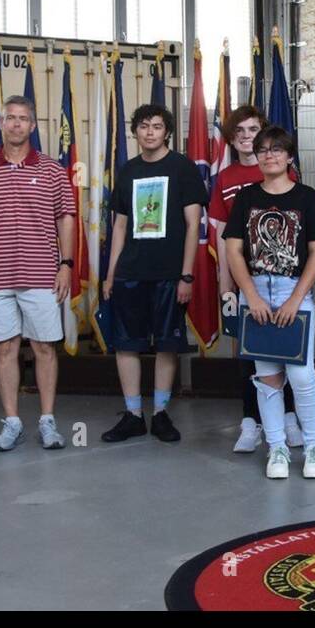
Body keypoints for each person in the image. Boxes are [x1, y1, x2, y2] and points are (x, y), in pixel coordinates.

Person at [0, 96, 75, 452]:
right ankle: (12, 423)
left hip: (41, 275)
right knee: (5, 349)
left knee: (44, 348)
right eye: (11, 118)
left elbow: (65, 218)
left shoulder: (53, 170)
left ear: (33, 126)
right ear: (0, 123)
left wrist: (66, 265)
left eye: (24, 119)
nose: (17, 124)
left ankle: (48, 421)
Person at [224, 125, 315, 479]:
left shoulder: (306, 197)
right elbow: (233, 250)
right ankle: (277, 447)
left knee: (301, 375)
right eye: (263, 149)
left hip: (291, 293)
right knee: (266, 377)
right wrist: (250, 296)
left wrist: (296, 299)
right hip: (254, 294)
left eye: (277, 149)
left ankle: (313, 446)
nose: (269, 155)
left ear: (289, 156)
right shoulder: (247, 197)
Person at [100, 104, 207, 444]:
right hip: (130, 272)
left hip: (168, 273)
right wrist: (110, 273)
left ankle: (160, 413)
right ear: (135, 130)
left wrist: (186, 275)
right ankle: (133, 415)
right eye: (144, 126)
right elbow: (120, 225)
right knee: (126, 344)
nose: (150, 132)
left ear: (167, 132)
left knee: (166, 344)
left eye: (157, 126)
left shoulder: (183, 168)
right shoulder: (128, 170)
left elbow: (194, 225)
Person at [208, 105, 303, 453]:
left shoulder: (283, 174)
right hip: (243, 281)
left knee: (286, 349)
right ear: (233, 139)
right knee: (248, 353)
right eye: (241, 132)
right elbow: (222, 237)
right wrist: (225, 286)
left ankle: (290, 417)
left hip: (281, 278)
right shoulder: (225, 178)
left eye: (254, 130)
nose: (248, 137)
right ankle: (250, 421)